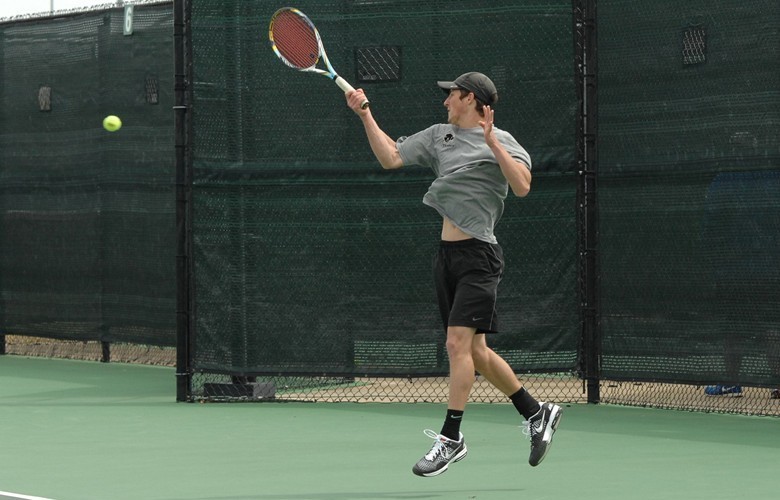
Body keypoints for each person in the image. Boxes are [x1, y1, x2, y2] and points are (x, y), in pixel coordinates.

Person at [345, 72, 562, 477]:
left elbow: (523, 187)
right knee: (475, 352)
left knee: (456, 343)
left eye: (452, 95)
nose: (445, 101)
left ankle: (451, 438)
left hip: (480, 256)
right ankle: (537, 413)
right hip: (447, 256)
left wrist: (493, 142)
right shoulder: (437, 135)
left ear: (471, 98)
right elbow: (391, 156)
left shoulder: (505, 140)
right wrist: (365, 116)